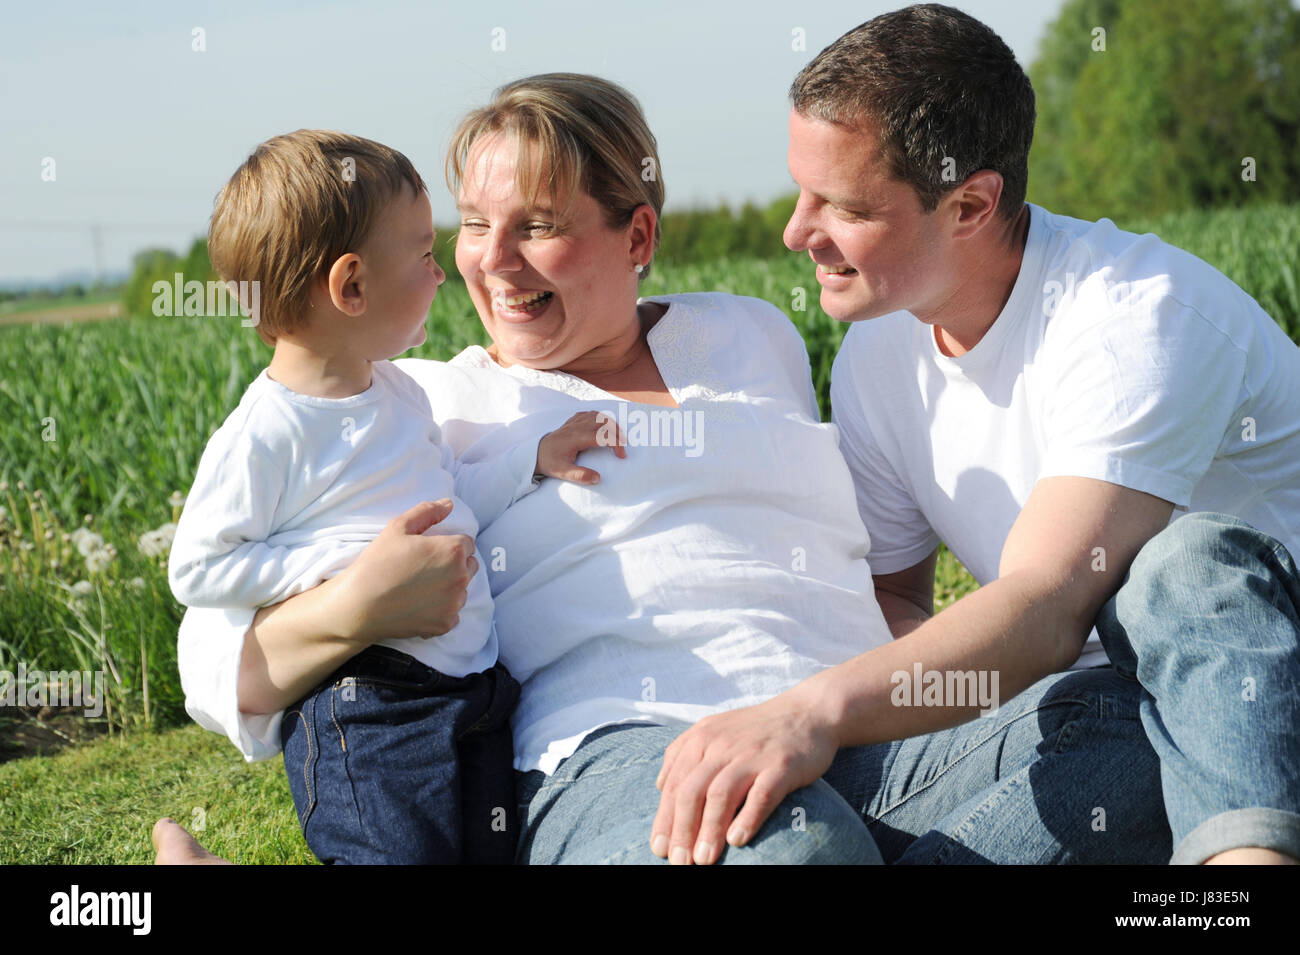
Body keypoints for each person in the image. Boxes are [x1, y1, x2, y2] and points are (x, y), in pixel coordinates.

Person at [156, 72, 1175, 867]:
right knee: (789, 846)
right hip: (632, 750)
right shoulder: (426, 400)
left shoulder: (751, 336)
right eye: (473, 225)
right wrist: (356, 609)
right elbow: (211, 650)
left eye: (538, 226)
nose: (490, 260)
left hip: (857, 727)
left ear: (635, 232)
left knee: (1146, 738)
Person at [651, 4, 1300, 866]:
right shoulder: (877, 352)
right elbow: (892, 607)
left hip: (1257, 687)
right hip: (1102, 711)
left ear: (970, 204)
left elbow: (1044, 609)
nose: (796, 231)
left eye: (841, 205)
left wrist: (812, 710)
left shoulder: (1136, 319)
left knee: (1180, 568)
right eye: (801, 190)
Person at [167, 129, 625, 863]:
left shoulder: (399, 393)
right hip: (369, 700)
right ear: (351, 287)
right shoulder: (268, 432)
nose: (441, 274)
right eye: (422, 256)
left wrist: (528, 460)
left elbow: (448, 498)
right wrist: (347, 573)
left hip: (470, 686)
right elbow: (198, 569)